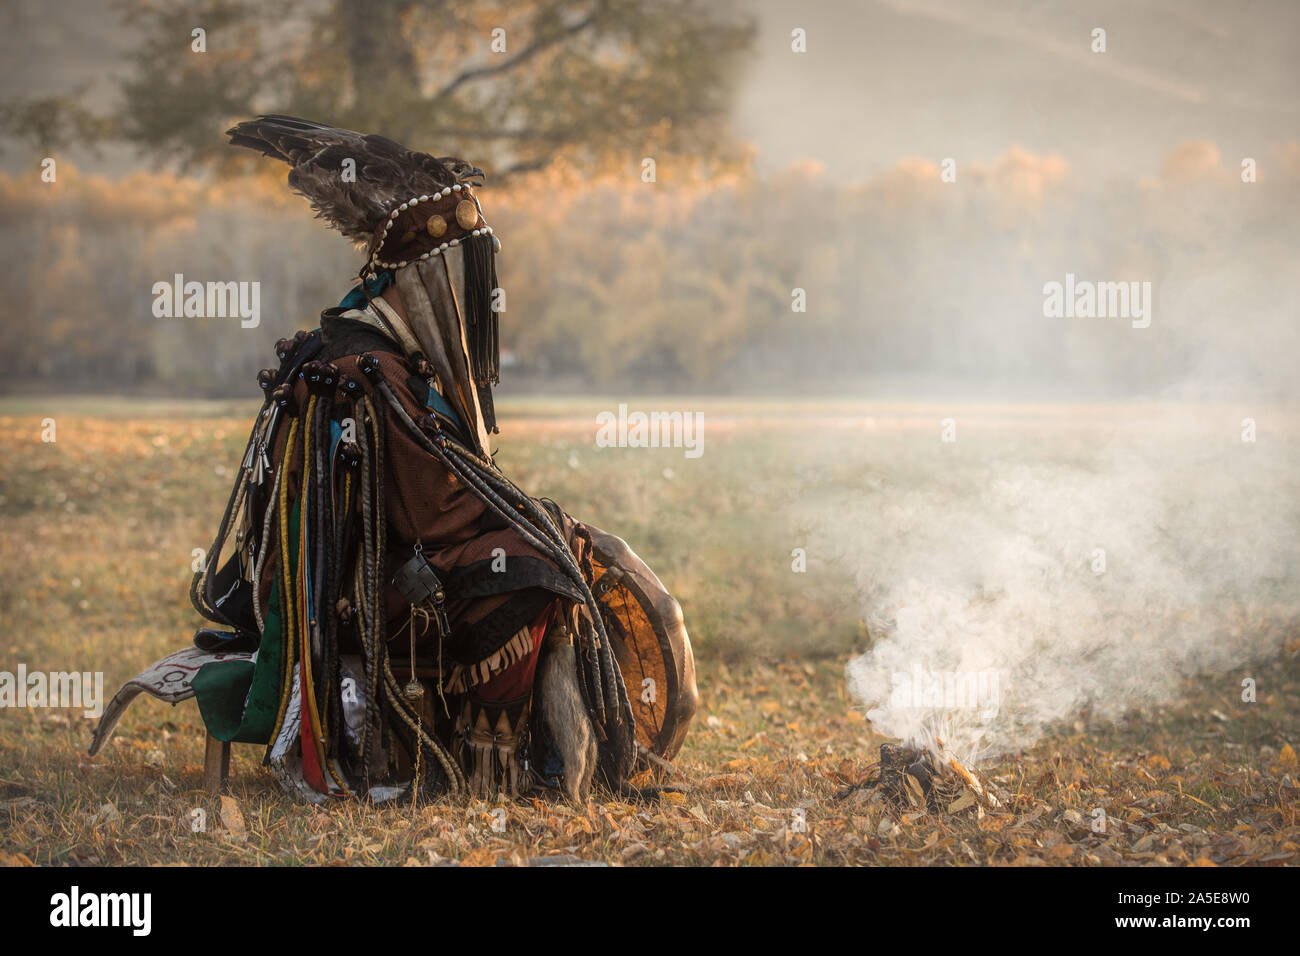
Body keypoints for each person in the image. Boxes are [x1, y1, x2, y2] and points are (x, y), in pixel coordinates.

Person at [175, 116, 690, 803]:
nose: (461, 301)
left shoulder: (357, 347)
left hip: (353, 569)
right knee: (535, 573)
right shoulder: (371, 369)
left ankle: (527, 750)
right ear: (418, 280)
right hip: (344, 594)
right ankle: (497, 765)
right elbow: (437, 516)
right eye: (452, 281)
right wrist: (538, 527)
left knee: (540, 544)